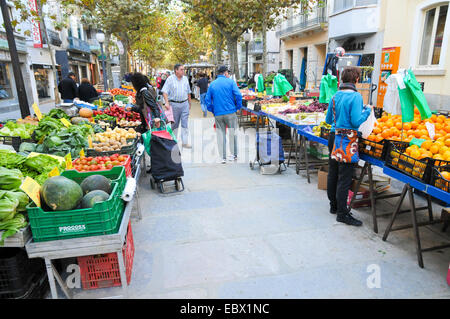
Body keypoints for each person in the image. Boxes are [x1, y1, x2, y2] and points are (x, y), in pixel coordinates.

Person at [325, 66, 373, 227]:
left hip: (334, 137)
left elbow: (328, 120)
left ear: (343, 79)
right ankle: (342, 214)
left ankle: (334, 206)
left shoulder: (335, 95)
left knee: (333, 173)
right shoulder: (356, 97)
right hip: (347, 140)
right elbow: (355, 121)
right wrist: (367, 112)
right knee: (345, 178)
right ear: (356, 80)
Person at [205, 65, 242, 164]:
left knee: (220, 134)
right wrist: (238, 107)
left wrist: (213, 110)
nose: (228, 75)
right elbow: (238, 95)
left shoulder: (212, 84)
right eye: (228, 73)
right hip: (230, 112)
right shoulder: (230, 82)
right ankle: (234, 155)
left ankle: (223, 157)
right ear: (225, 73)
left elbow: (207, 100)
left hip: (218, 113)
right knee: (232, 133)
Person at [161, 64, 192, 149]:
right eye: (181, 69)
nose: (183, 71)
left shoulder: (185, 79)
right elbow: (164, 92)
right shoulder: (170, 79)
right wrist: (166, 102)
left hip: (185, 104)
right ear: (176, 70)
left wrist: (189, 102)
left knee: (185, 124)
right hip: (174, 105)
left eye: (183, 69)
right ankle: (173, 142)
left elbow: (188, 91)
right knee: (175, 125)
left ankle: (185, 142)